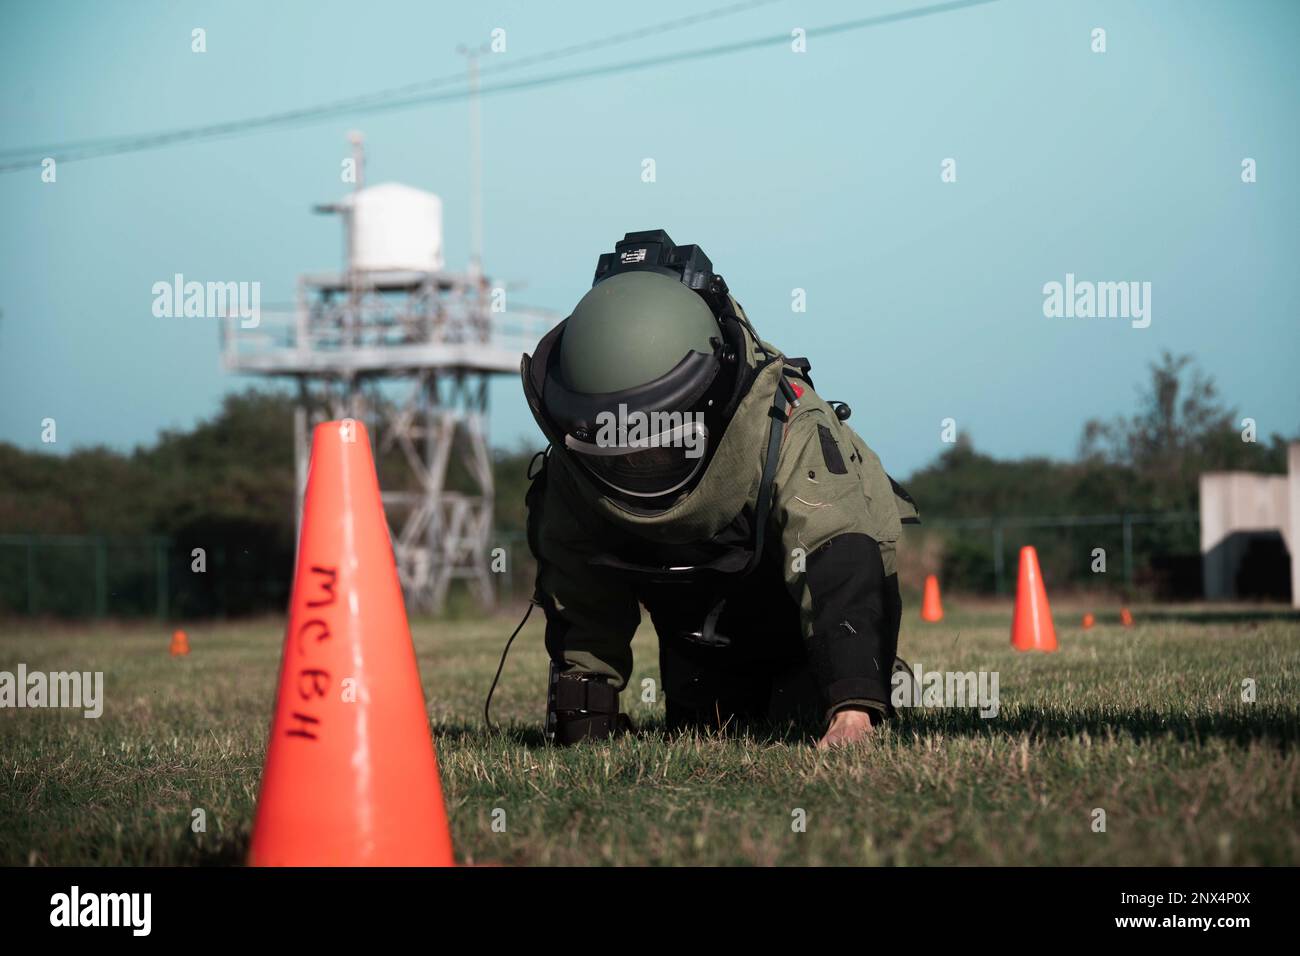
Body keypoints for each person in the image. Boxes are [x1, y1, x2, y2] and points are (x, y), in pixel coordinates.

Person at [520, 230, 918, 748]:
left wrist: (853, 707)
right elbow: (578, 590)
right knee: (710, 723)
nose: (639, 460)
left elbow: (835, 549)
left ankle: (874, 681)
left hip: (799, 627)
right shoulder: (574, 466)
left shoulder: (784, 421)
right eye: (621, 450)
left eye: (657, 445)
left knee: (803, 708)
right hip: (697, 639)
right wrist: (584, 719)